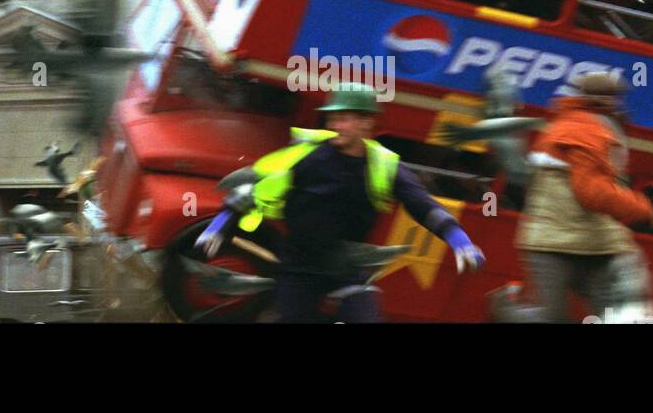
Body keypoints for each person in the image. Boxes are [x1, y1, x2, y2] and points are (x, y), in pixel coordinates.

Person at [196, 82, 486, 323]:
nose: (335, 125)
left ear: (366, 123)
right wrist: (220, 225)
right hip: (299, 270)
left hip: (348, 270)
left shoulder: (383, 165)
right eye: (332, 119)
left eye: (344, 118)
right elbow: (254, 191)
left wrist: (458, 239)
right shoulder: (306, 157)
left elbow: (422, 204)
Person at [492, 72, 653, 323]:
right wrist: (650, 211)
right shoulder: (585, 130)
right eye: (615, 98)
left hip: (595, 244)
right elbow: (593, 193)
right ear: (607, 101)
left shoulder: (589, 125)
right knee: (554, 319)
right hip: (555, 244)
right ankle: (505, 310)